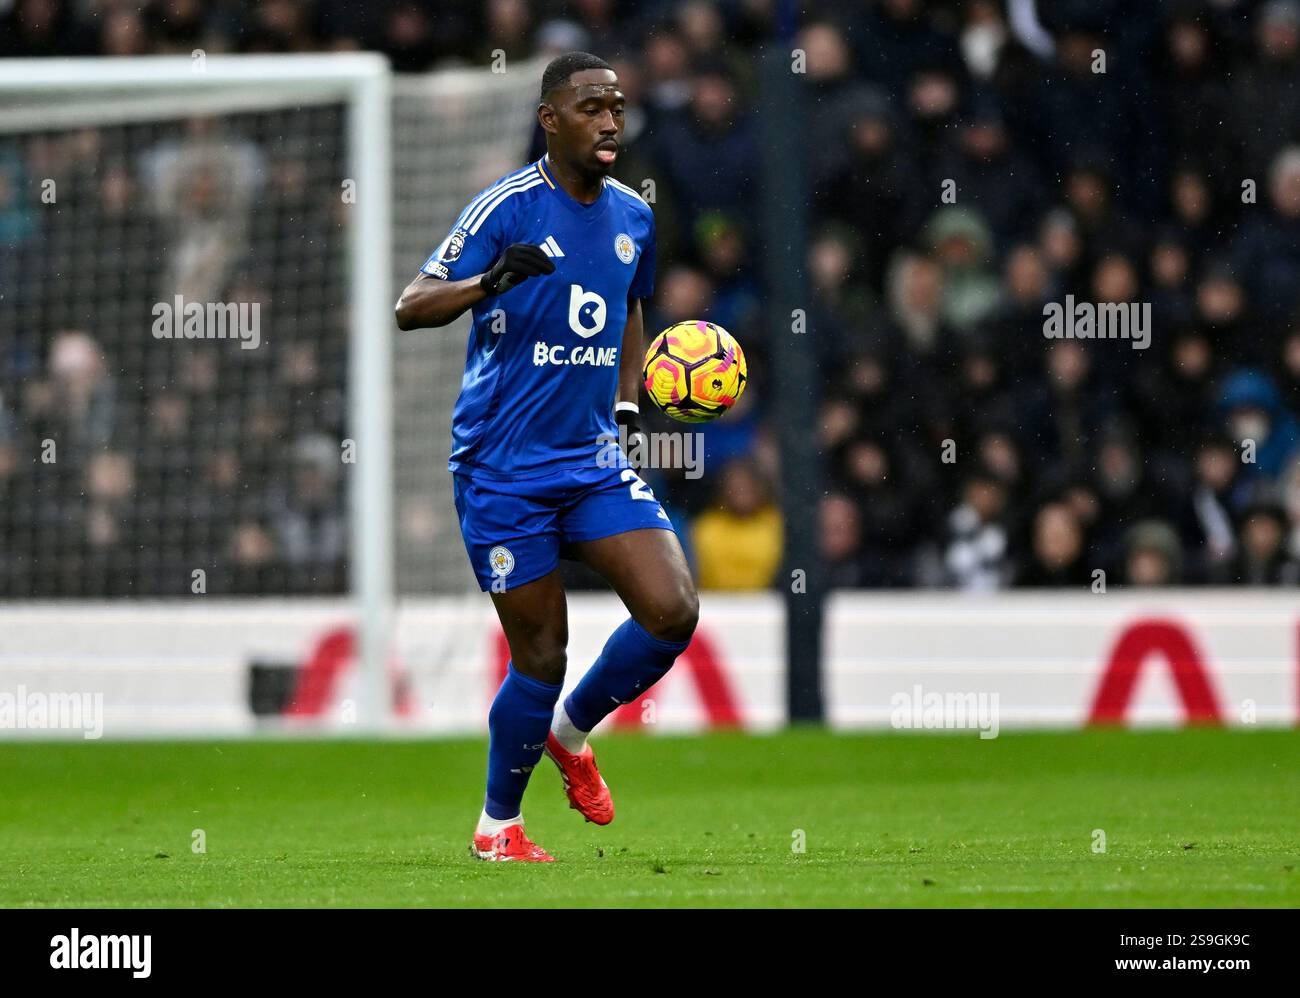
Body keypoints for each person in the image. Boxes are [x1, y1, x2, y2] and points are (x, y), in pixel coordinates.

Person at [395, 53, 698, 862]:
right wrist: (488, 282)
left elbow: (631, 308)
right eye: (591, 106)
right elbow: (411, 305)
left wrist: (629, 401)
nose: (609, 120)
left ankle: (572, 733)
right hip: (502, 468)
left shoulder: (635, 216)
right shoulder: (508, 206)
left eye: (618, 107)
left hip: (591, 460)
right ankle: (498, 827)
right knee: (541, 653)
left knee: (673, 610)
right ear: (550, 119)